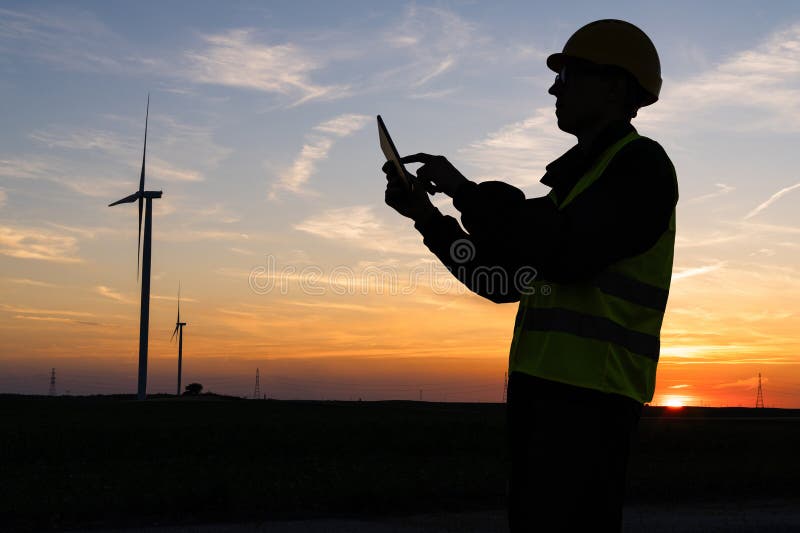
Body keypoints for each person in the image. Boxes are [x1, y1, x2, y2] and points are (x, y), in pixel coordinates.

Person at [383, 19, 677, 532]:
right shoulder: (574, 186)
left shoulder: (641, 168)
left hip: (593, 402)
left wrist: (467, 192)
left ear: (615, 85)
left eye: (568, 76)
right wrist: (427, 219)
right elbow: (496, 281)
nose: (553, 89)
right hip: (543, 396)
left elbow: (565, 250)